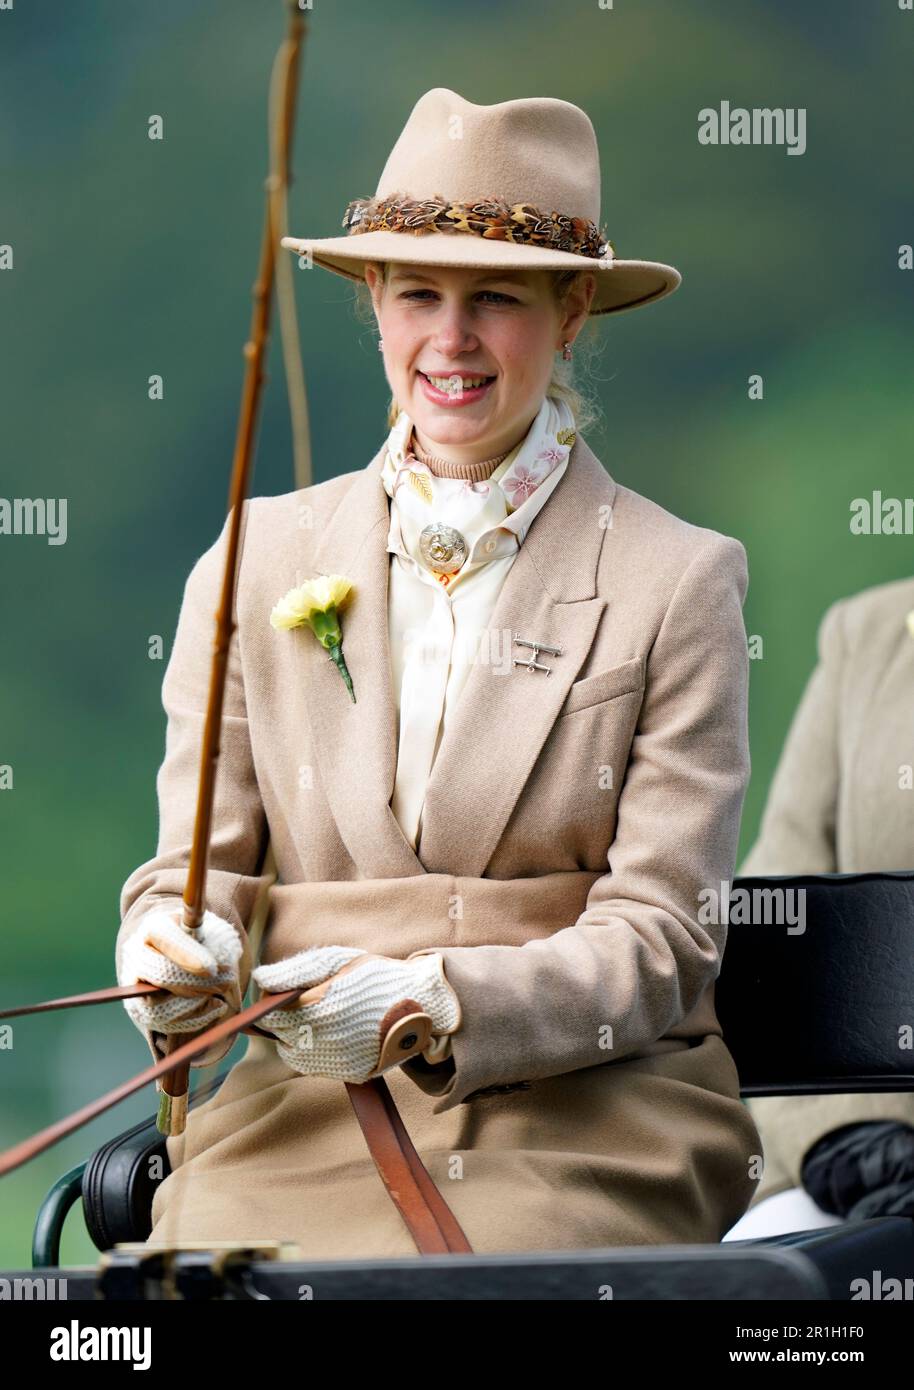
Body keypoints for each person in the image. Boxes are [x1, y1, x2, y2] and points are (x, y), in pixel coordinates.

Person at [116, 87, 763, 1258]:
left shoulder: (679, 579)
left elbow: (665, 937)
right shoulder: (252, 556)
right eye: (417, 293)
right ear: (373, 300)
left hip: (589, 1112)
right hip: (299, 1112)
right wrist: (170, 947)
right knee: (185, 1288)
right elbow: (197, 873)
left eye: (495, 299)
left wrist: (432, 1000)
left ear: (571, 312)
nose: (450, 341)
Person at [729, 577, 914, 1234]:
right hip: (873, 1162)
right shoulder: (868, 632)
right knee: (756, 1271)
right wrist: (846, 1134)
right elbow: (776, 931)